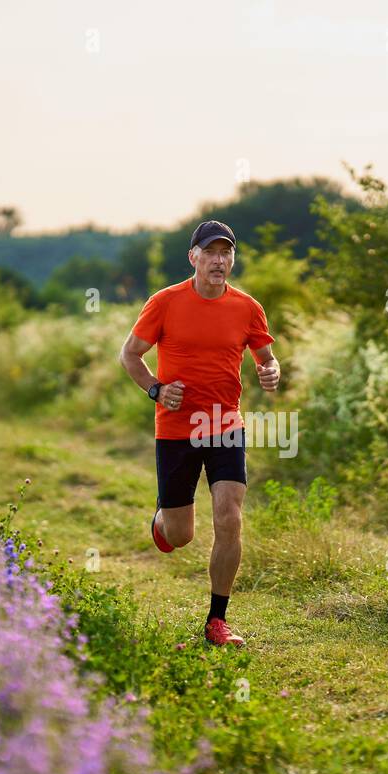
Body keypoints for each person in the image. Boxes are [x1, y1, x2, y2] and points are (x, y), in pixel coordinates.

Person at [117, 220, 281, 646]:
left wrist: (270, 370)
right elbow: (130, 355)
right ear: (193, 257)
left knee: (230, 518)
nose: (219, 260)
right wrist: (155, 388)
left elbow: (266, 357)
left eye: (226, 253)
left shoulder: (247, 307)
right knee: (180, 535)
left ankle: (216, 622)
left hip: (225, 424)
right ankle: (162, 521)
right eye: (210, 252)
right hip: (176, 429)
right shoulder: (165, 302)